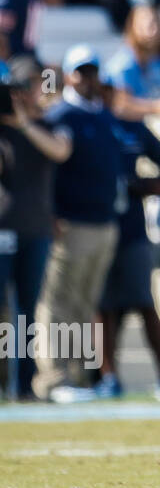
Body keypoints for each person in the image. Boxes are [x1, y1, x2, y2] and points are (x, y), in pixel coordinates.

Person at [32, 46, 123, 401]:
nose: (87, 78)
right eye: (81, 72)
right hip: (71, 223)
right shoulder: (61, 115)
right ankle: (53, 379)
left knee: (85, 305)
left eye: (92, 71)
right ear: (69, 75)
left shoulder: (103, 116)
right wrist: (52, 212)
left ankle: (76, 377)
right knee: (57, 304)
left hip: (103, 222)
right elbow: (49, 169)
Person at [96, 86, 160, 397]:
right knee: (102, 307)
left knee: (144, 301)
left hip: (131, 231)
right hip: (96, 227)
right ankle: (107, 377)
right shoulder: (87, 124)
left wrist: (141, 187)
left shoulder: (131, 129)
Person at [0, 56, 72, 399]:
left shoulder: (50, 122)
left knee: (26, 310)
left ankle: (23, 384)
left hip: (36, 229)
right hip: (4, 227)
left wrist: (25, 123)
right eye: (21, 86)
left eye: (31, 85)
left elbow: (60, 151)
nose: (26, 93)